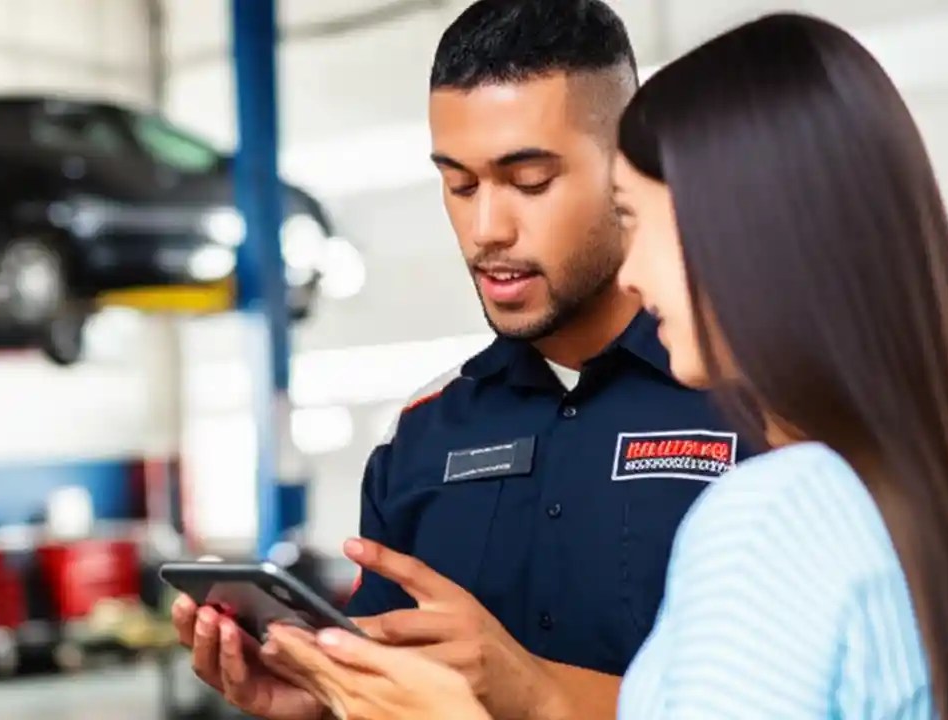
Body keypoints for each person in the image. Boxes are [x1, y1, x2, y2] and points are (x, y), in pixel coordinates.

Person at [263, 12, 948, 720]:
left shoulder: (775, 509)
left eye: (637, 216)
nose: (634, 270)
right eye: (459, 185)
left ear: (748, 236)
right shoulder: (936, 482)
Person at [170, 1, 754, 718]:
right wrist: (325, 701)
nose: (486, 230)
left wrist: (533, 691)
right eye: (459, 184)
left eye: (529, 181)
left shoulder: (764, 407)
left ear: (625, 167)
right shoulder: (421, 436)